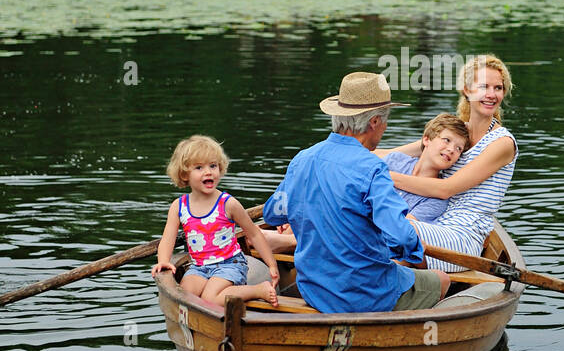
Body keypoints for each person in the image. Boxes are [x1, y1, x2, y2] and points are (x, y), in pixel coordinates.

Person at [262, 72, 450, 313]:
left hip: (315, 289)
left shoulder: (303, 159)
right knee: (442, 279)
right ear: (373, 122)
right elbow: (401, 237)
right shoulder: (373, 168)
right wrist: (413, 250)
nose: (386, 126)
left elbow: (272, 215)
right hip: (366, 294)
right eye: (385, 120)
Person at [379, 54, 518, 272]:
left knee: (399, 228)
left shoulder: (502, 143)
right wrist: (347, 154)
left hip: (464, 236)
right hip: (434, 223)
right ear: (467, 89)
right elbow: (391, 153)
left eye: (498, 88)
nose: (491, 94)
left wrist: (384, 175)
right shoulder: (455, 133)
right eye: (484, 87)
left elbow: (445, 189)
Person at [152, 135, 280, 307]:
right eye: (199, 167)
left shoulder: (228, 204)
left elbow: (254, 234)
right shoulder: (179, 206)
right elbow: (168, 238)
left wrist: (272, 265)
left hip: (230, 265)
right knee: (183, 296)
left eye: (213, 166)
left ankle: (258, 290)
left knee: (210, 299)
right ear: (184, 174)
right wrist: (163, 261)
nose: (208, 172)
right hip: (198, 267)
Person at [386, 113, 469, 222]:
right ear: (427, 139)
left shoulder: (437, 200)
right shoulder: (394, 160)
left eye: (459, 148)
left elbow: (401, 227)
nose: (451, 149)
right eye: (447, 140)